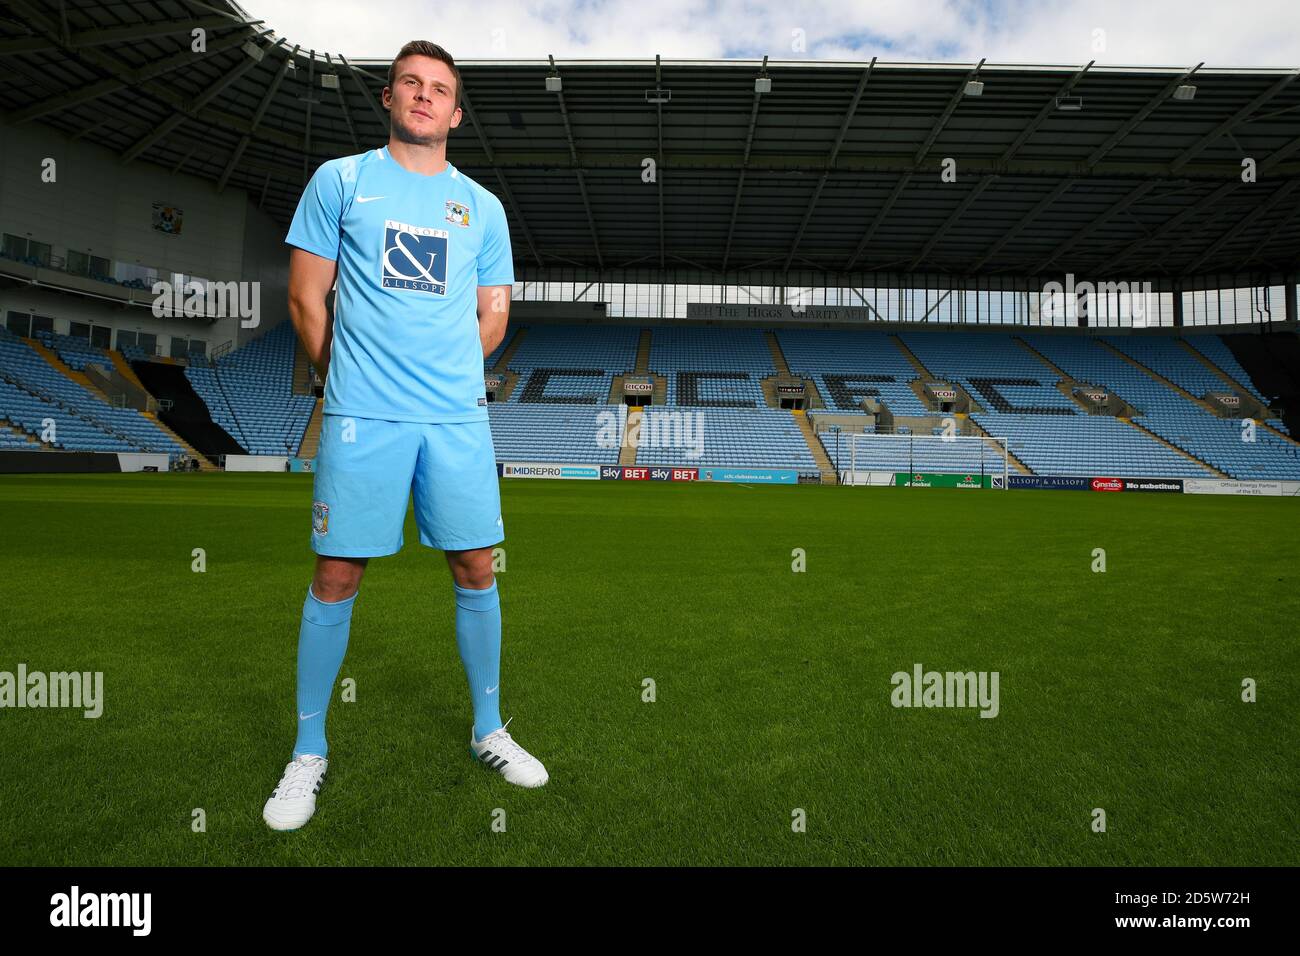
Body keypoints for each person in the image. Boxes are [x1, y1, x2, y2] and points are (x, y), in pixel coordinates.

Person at [263, 40, 546, 833]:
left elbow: (495, 311)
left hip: (455, 417)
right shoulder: (342, 182)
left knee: (476, 564)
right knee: (338, 573)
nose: (425, 97)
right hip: (364, 417)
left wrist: (450, 365)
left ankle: (489, 728)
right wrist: (353, 376)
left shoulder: (482, 208)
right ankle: (308, 750)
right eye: (412, 85)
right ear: (388, 98)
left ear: (456, 113)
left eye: (441, 90)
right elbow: (305, 298)